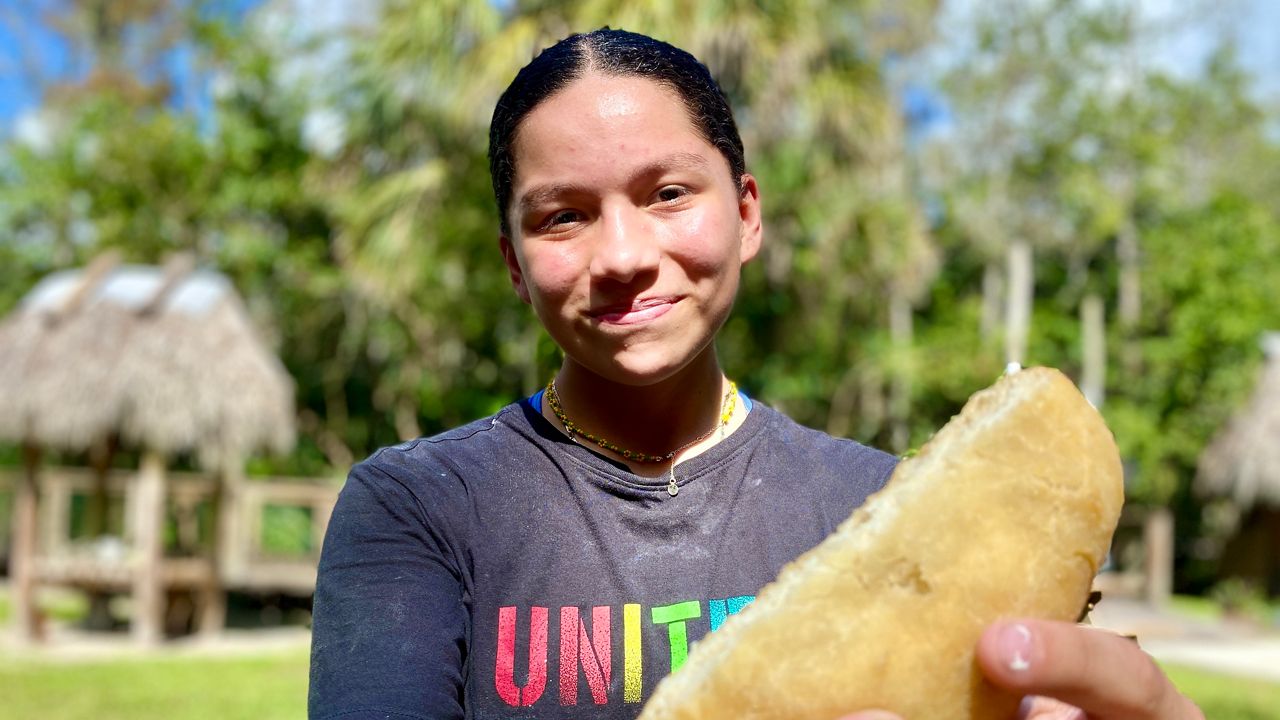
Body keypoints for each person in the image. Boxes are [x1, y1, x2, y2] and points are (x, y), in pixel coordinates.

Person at [308, 28, 1203, 720]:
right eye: (563, 217)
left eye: (668, 194)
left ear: (746, 215)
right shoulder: (419, 507)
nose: (623, 255)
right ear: (513, 262)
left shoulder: (883, 506)